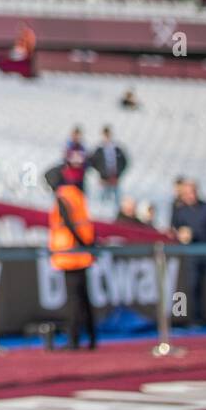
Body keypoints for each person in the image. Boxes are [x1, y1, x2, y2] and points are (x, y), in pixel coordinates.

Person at [46, 165, 96, 350]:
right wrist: (88, 247)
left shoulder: (62, 197)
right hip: (81, 253)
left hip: (70, 254)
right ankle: (92, 338)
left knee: (74, 300)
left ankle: (73, 340)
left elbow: (69, 224)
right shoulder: (76, 194)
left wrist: (82, 244)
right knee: (84, 298)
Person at [169, 179, 206, 326]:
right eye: (186, 193)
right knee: (192, 286)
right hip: (191, 254)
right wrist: (181, 235)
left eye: (191, 192)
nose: (190, 196)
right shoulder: (180, 211)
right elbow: (174, 229)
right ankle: (195, 319)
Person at [88, 126, 128, 215]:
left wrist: (118, 175)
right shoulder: (99, 150)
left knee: (116, 203)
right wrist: (101, 173)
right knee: (101, 203)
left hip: (115, 180)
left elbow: (124, 162)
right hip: (104, 180)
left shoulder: (117, 149)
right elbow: (92, 162)